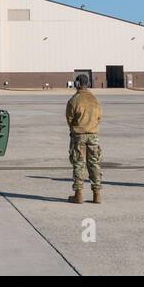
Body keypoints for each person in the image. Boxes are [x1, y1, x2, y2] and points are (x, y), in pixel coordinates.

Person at [65, 74, 102, 204]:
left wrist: (75, 129)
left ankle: (78, 194)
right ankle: (97, 194)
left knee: (78, 164)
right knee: (94, 164)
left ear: (77, 84)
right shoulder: (95, 99)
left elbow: (69, 119)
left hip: (79, 135)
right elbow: (99, 117)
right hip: (93, 135)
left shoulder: (74, 100)